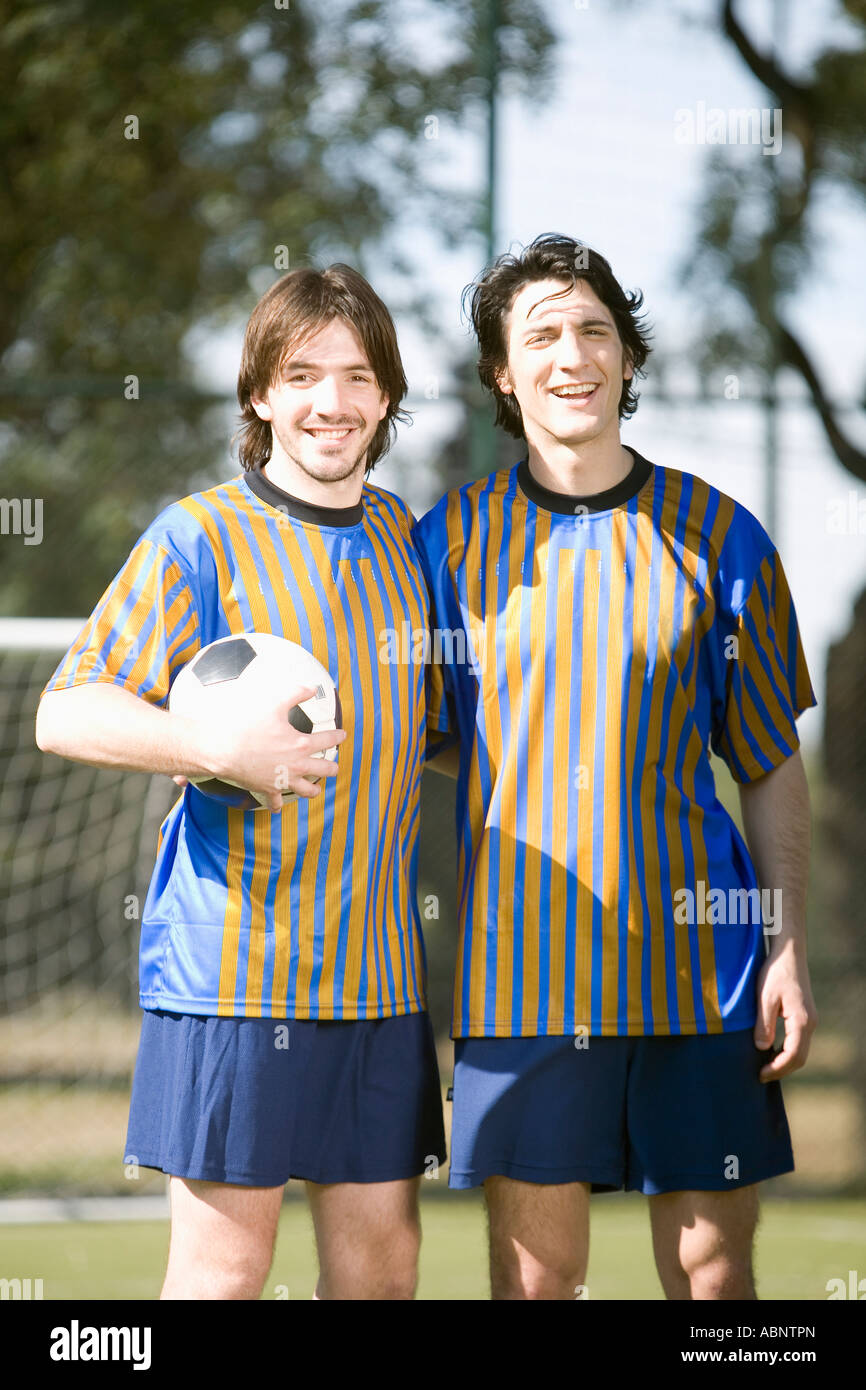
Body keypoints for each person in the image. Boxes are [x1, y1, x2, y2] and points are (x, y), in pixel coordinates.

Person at [413, 233, 817, 1300]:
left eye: (594, 329)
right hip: (519, 982)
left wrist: (784, 950)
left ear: (627, 359)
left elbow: (771, 761)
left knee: (713, 1283)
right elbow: (404, 739)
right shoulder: (442, 545)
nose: (570, 352)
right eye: (539, 333)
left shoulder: (720, 536)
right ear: (503, 372)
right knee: (535, 1290)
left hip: (706, 974)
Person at [36, 264, 445, 1301]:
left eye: (357, 376)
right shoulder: (196, 537)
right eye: (302, 373)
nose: (332, 402)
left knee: (382, 1274)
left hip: (380, 983)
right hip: (235, 975)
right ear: (261, 395)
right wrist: (217, 750)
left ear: (386, 397)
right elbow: (67, 709)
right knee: (225, 1276)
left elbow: (432, 734)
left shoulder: (409, 540)